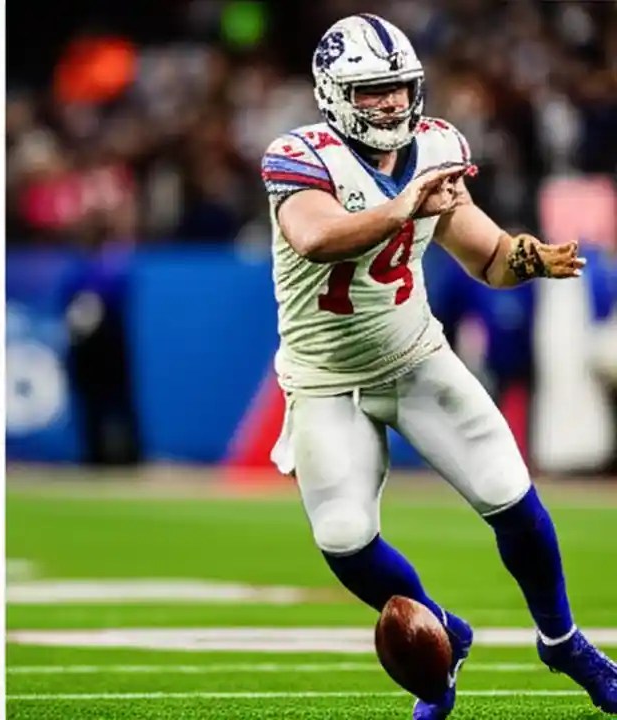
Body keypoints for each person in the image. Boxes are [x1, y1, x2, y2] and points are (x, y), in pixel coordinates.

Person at [261, 14, 616, 719]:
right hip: (326, 380)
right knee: (343, 538)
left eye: (397, 87)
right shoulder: (299, 155)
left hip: (415, 356)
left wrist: (529, 259)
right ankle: (442, 633)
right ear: (334, 95)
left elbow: (484, 254)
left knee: (511, 495)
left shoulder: (437, 147)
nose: (391, 103)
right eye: (371, 92)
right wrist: (400, 209)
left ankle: (564, 641)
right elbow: (315, 238)